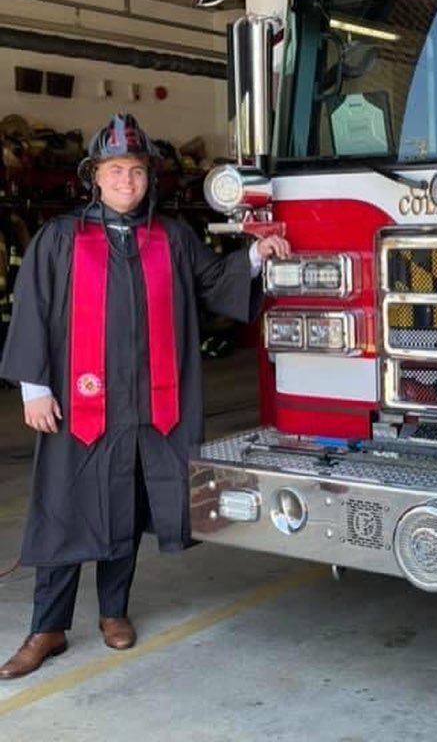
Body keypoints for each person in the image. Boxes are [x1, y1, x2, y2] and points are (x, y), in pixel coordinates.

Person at [0, 113, 290, 679]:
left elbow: (213, 283)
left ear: (147, 177)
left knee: (125, 505)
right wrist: (34, 387)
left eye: (135, 170)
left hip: (147, 405)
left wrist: (255, 257)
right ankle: (47, 628)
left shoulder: (172, 238)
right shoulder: (60, 237)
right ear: (95, 176)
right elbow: (32, 307)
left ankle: (114, 612)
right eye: (115, 170)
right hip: (77, 403)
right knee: (63, 509)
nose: (126, 181)